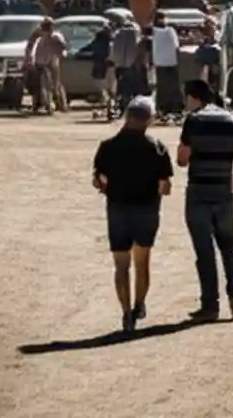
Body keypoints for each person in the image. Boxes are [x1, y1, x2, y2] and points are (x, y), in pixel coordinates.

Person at [92, 96, 174, 332]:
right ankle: (139, 305)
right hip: (146, 209)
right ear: (148, 119)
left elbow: (99, 181)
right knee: (142, 262)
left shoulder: (107, 147)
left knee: (121, 265)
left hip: (118, 209)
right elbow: (165, 186)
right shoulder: (156, 148)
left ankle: (126, 313)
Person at [178, 79, 233, 322]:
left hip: (199, 193)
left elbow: (182, 159)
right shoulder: (231, 121)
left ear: (194, 97)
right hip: (224, 193)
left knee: (205, 252)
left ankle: (210, 305)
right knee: (230, 247)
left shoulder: (193, 121)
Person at [28, 18, 69, 115]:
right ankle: (47, 104)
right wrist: (33, 61)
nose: (47, 28)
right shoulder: (40, 38)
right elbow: (34, 49)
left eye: (49, 26)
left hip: (53, 62)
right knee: (44, 85)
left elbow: (63, 48)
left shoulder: (56, 36)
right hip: (42, 63)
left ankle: (62, 104)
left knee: (56, 84)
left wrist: (59, 52)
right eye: (45, 26)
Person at [151, 12, 182, 121]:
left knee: (162, 87)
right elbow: (176, 46)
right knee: (171, 86)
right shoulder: (170, 31)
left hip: (161, 63)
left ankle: (163, 108)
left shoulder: (154, 32)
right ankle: (170, 108)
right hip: (171, 62)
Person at [110, 17, 141, 114]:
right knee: (134, 87)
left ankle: (122, 106)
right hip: (132, 66)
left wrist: (114, 61)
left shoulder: (118, 34)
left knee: (122, 87)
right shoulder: (136, 34)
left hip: (120, 65)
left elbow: (114, 50)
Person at [84, 22, 115, 119]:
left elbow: (90, 49)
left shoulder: (101, 42)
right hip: (108, 68)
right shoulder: (111, 41)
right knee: (109, 91)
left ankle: (110, 108)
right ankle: (110, 108)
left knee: (106, 91)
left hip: (103, 69)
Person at [193, 21, 222, 87]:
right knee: (209, 72)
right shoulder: (207, 37)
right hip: (210, 57)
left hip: (211, 57)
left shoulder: (215, 35)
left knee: (212, 72)